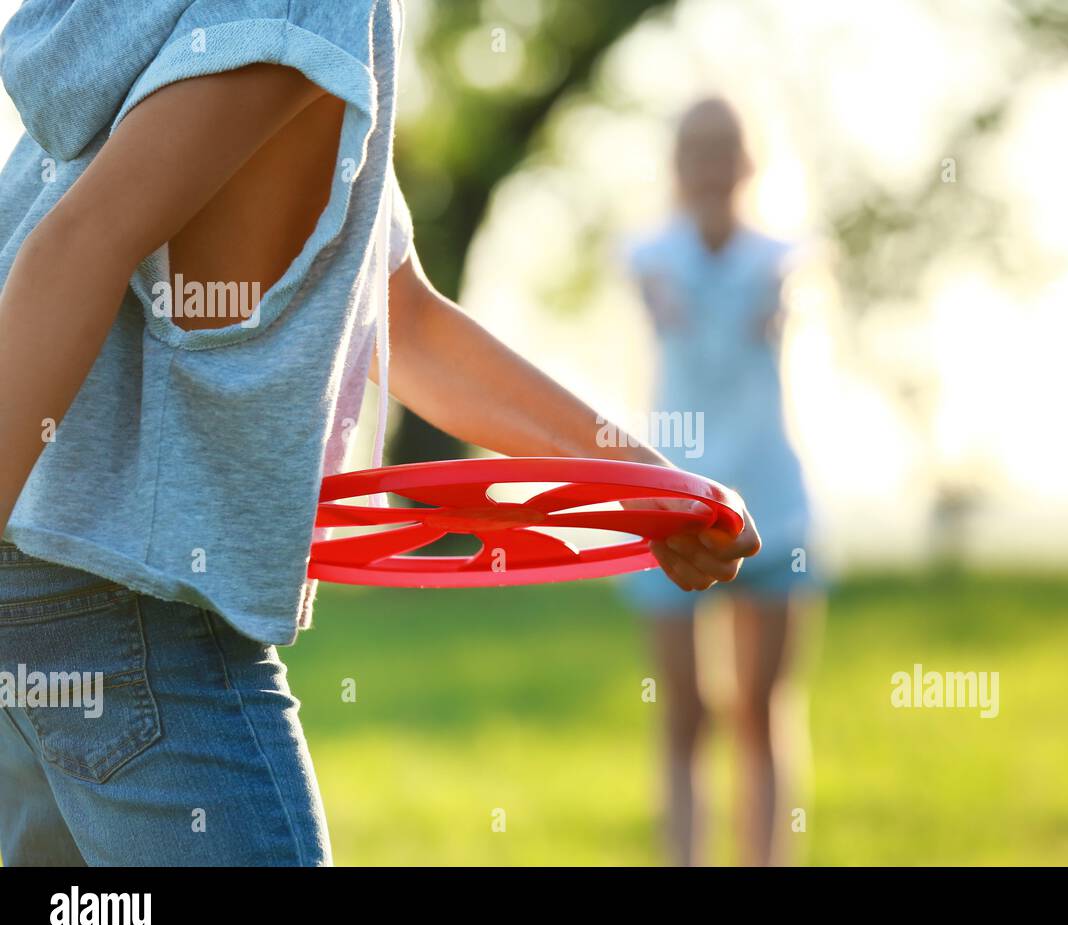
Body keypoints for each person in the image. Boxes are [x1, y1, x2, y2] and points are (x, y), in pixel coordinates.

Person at [0, 0, 758, 866]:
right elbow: (79, 245)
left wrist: (645, 483)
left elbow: (402, 315)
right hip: (132, 595)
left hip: (40, 582)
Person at [624, 97, 821, 867]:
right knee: (684, 713)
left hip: (773, 505)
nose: (708, 166)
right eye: (694, 149)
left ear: (748, 162)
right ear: (677, 164)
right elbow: (655, 292)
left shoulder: (781, 259)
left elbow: (791, 286)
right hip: (674, 510)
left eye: (723, 149)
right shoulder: (648, 258)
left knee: (763, 711)